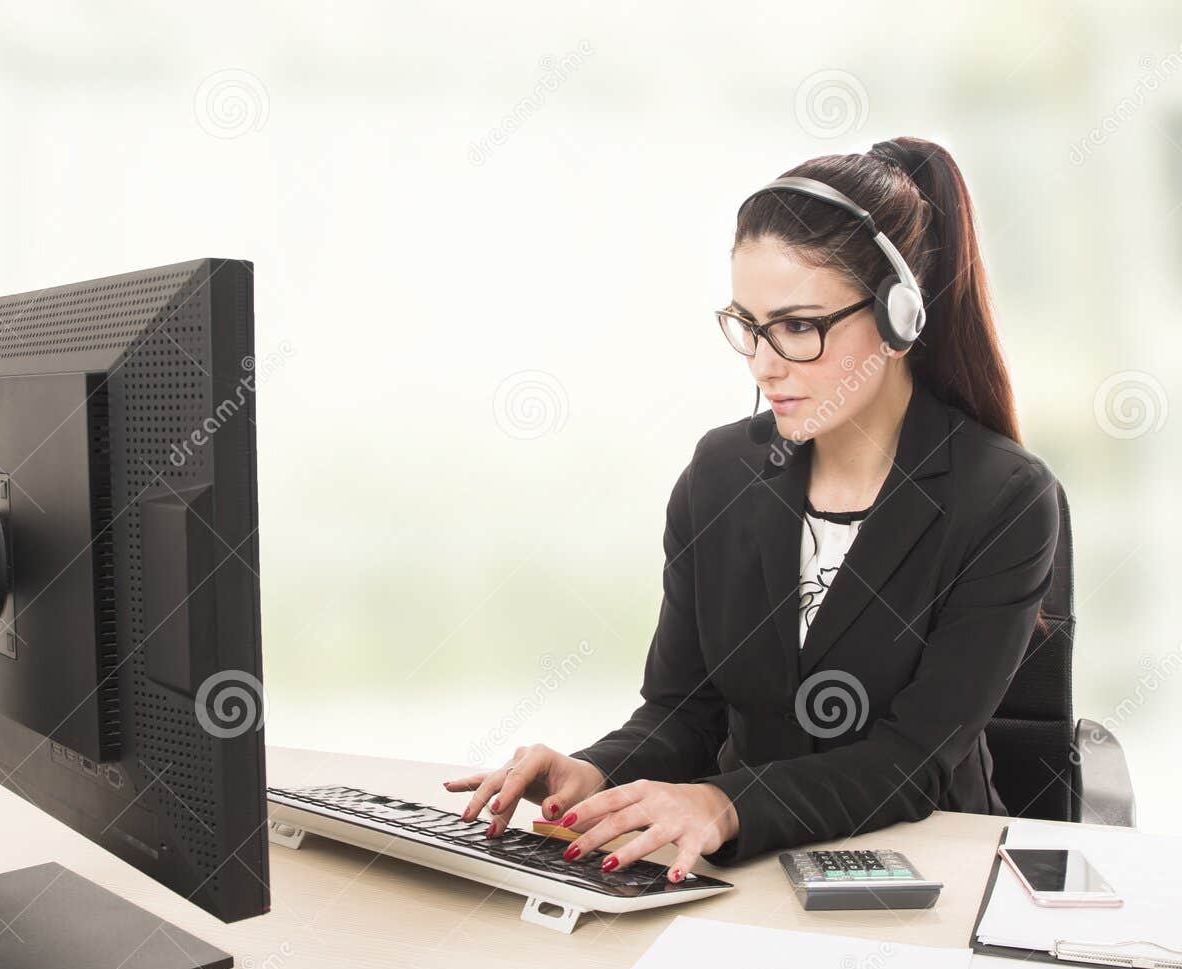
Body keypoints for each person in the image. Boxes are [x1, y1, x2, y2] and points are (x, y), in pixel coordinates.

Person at [449, 136, 1059, 886]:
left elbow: (915, 761)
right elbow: (685, 709)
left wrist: (723, 804)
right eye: (749, 325)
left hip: (927, 871)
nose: (764, 363)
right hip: (751, 874)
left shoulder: (1003, 497)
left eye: (799, 327)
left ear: (901, 321)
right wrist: (594, 769)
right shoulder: (722, 473)